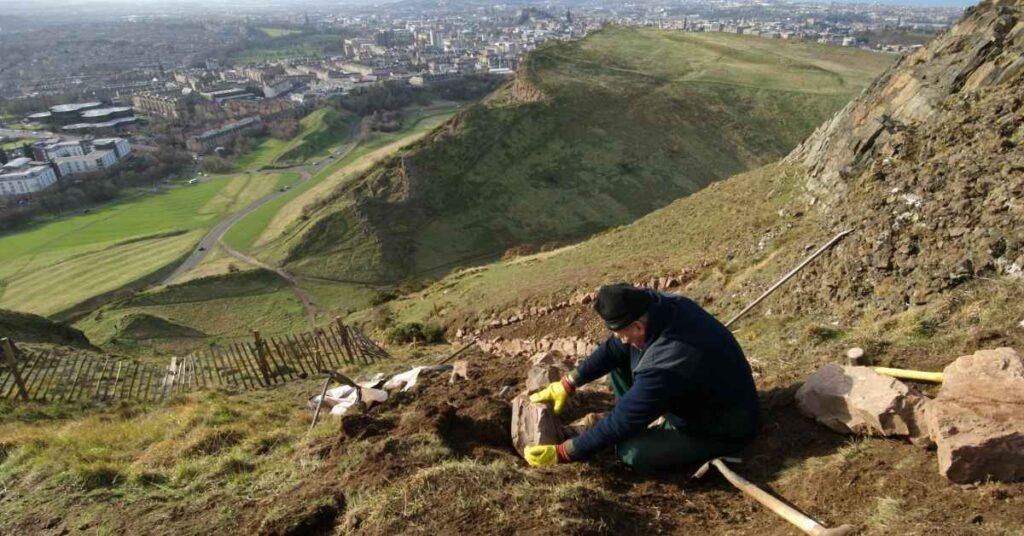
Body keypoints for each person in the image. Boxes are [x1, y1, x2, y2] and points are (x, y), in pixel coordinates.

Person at [525, 283, 759, 472]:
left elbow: (623, 421)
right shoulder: (659, 306)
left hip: (722, 427)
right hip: (700, 394)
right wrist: (568, 383)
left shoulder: (669, 357)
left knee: (631, 451)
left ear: (637, 326)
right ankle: (645, 414)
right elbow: (614, 349)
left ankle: (653, 423)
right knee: (619, 361)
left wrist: (565, 452)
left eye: (621, 333)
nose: (621, 339)